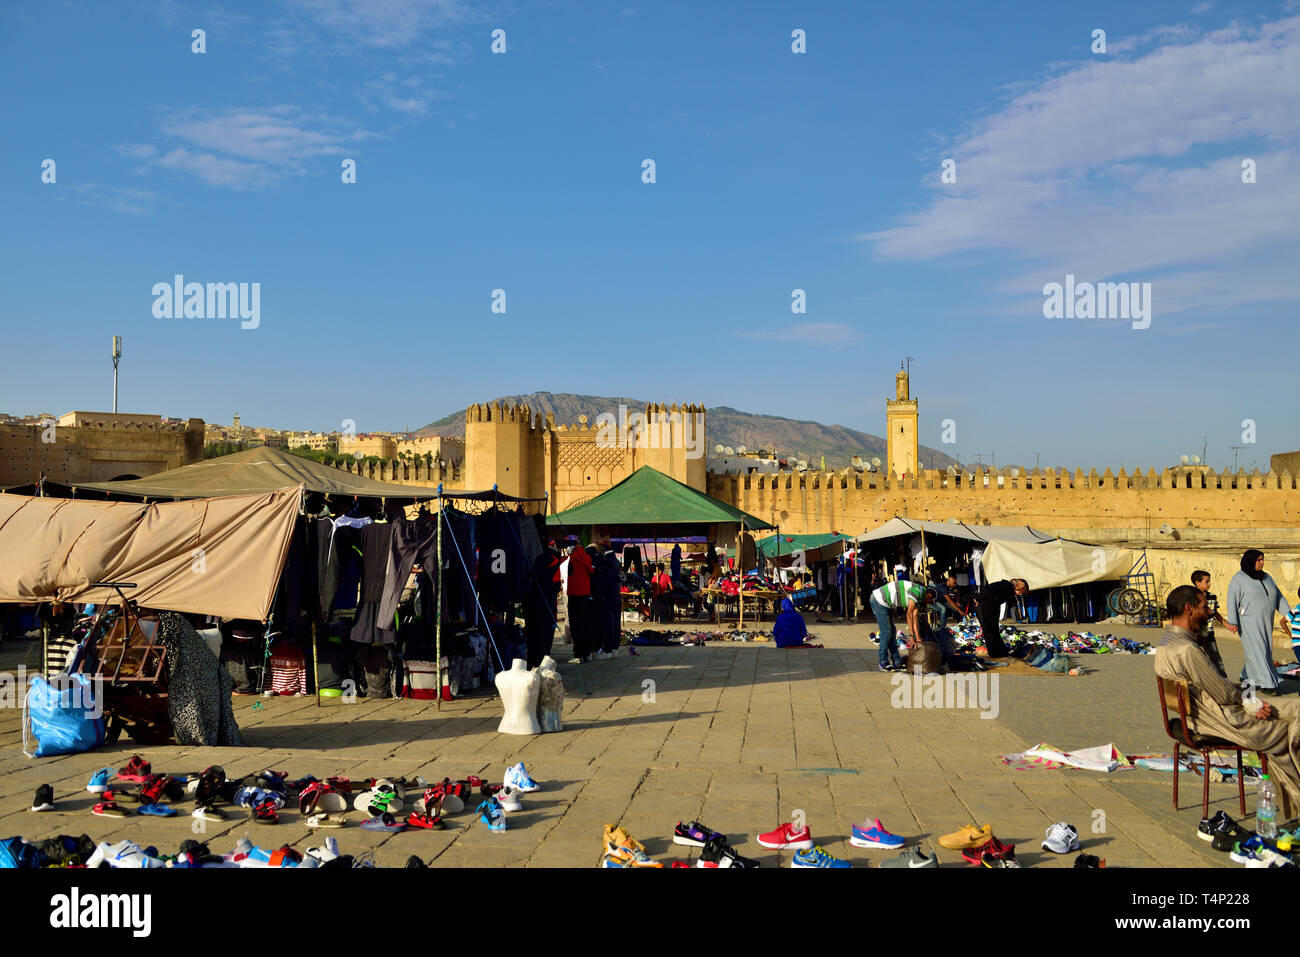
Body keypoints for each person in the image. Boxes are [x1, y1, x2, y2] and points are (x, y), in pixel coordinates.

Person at [1155, 584, 1300, 821]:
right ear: (1189, 609)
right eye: (1204, 607)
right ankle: (1296, 802)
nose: (1209, 612)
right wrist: (1251, 701)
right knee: (1289, 727)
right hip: (1220, 719)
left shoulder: (1166, 643)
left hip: (1203, 715)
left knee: (1294, 708)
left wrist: (1248, 696)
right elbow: (1223, 693)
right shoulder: (1186, 649)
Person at [1226, 549, 1296, 695]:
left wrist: (1290, 614)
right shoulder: (1239, 579)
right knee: (1259, 650)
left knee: (1263, 650)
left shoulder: (1267, 577)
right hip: (1248, 621)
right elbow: (1232, 600)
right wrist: (1232, 621)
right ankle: (1267, 684)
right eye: (1258, 560)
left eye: (1262, 559)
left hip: (1266, 621)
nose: (1262, 563)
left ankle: (1246, 675)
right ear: (1250, 561)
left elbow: (1278, 596)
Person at [869, 578, 932, 671]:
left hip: (887, 603)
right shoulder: (917, 592)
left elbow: (914, 618)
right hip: (879, 600)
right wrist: (911, 637)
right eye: (930, 601)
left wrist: (918, 638)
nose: (929, 604)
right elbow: (909, 614)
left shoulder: (920, 599)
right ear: (929, 595)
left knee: (892, 631)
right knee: (886, 632)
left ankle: (897, 661)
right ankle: (883, 662)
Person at [1191, 570, 1236, 678]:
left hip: (1208, 633)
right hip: (1194, 633)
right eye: (1207, 581)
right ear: (1198, 583)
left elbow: (1215, 612)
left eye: (1209, 581)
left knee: (1216, 659)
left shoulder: (1212, 597)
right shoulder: (1191, 598)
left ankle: (1224, 682)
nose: (1210, 583)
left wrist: (1226, 624)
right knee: (1194, 659)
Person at [975, 578, 1029, 657]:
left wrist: (978, 599)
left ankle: (997, 652)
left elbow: (989, 590)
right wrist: (978, 599)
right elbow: (989, 591)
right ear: (1018, 586)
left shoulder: (1004, 586)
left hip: (986, 606)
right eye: (1021, 591)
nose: (1020, 594)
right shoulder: (1007, 587)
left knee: (991, 631)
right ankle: (996, 653)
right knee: (991, 631)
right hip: (987, 607)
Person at [566, 543, 594, 661]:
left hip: (573, 595)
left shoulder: (571, 559)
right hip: (585, 595)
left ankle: (578, 653)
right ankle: (586, 652)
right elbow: (591, 571)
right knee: (585, 624)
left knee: (575, 625)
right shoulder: (587, 558)